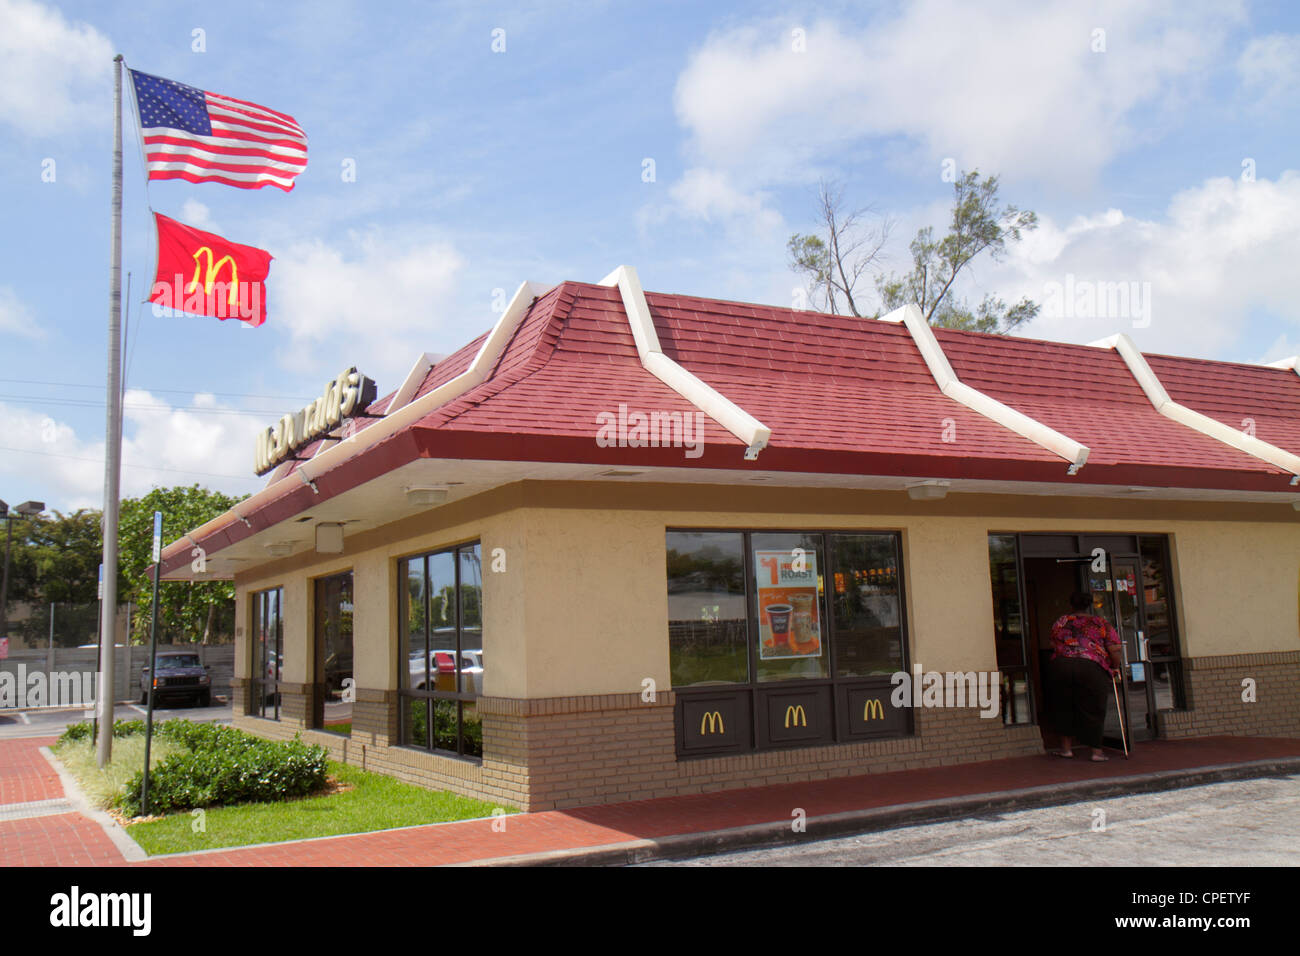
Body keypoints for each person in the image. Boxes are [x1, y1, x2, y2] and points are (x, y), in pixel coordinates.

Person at [1046, 590, 1124, 761]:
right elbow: (1115, 649)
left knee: (1064, 706)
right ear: (1089, 604)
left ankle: (1066, 749)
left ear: (1071, 604)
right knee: (1094, 706)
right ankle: (1096, 752)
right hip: (1091, 666)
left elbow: (1052, 643)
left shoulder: (1061, 622)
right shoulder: (1100, 622)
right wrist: (1114, 667)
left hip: (1062, 665)